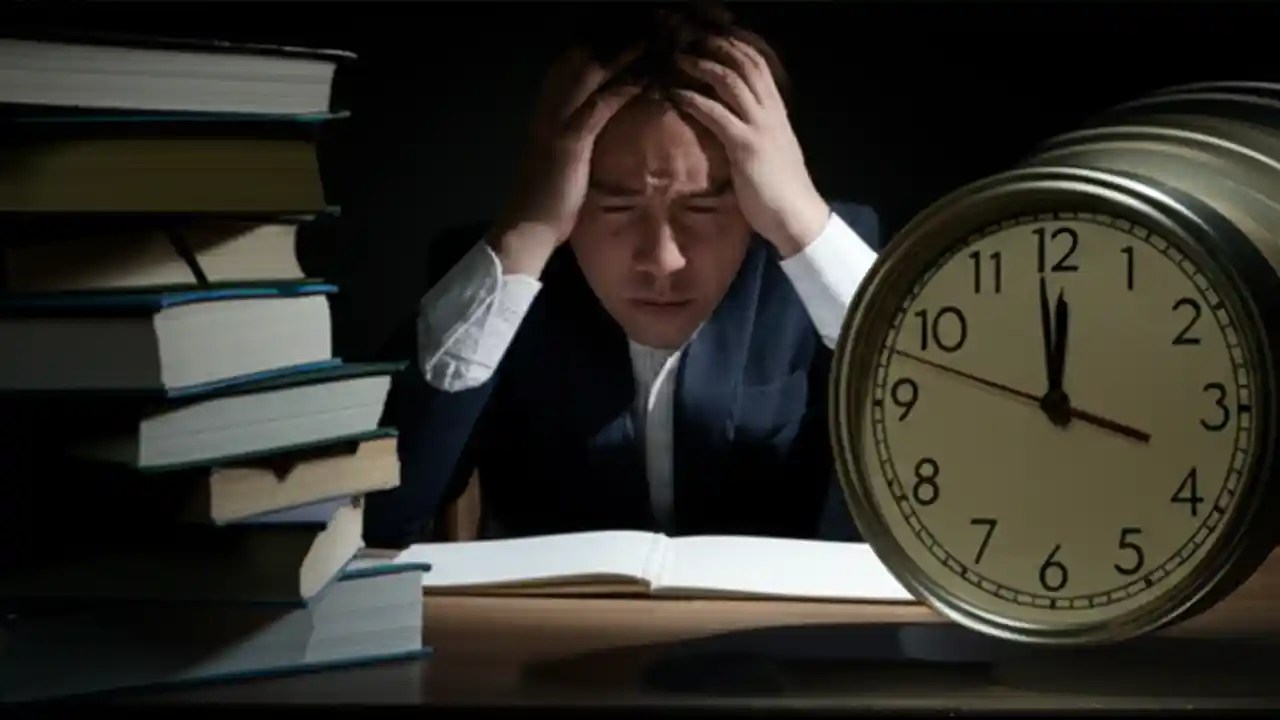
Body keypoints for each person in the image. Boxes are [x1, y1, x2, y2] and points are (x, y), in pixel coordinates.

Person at [363, 4, 880, 548]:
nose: (662, 259)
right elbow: (377, 518)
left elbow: (931, 437)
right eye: (616, 207)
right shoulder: (506, 275)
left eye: (703, 208)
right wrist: (527, 232)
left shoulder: (808, 260)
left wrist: (801, 220)